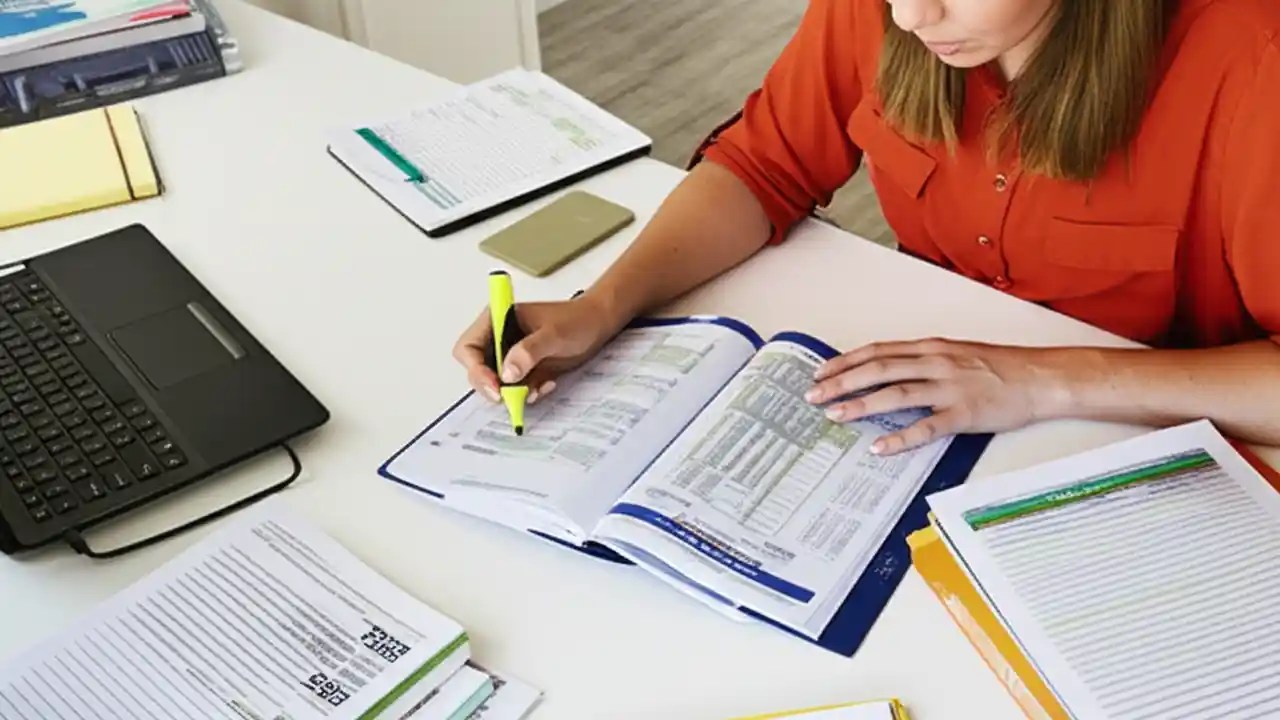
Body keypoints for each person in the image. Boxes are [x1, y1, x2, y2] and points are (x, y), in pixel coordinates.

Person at [455, 0, 1280, 455]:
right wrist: (604, 305)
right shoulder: (892, 8)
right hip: (924, 420)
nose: (913, 16)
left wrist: (1039, 379)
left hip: (1154, 440)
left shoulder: (1251, 62)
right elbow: (764, 165)